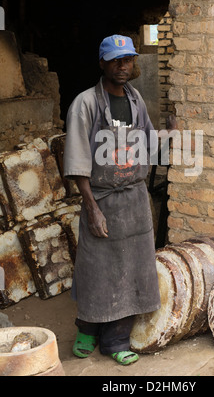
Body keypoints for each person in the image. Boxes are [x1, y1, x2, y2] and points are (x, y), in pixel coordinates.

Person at [63, 35, 161, 366]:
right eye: (116, 60)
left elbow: (149, 142)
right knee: (96, 270)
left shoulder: (136, 101)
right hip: (101, 198)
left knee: (132, 270)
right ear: (102, 63)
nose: (123, 66)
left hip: (133, 197)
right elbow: (77, 159)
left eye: (128, 60)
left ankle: (116, 339)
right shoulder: (85, 104)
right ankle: (87, 330)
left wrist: (170, 134)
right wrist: (91, 208)